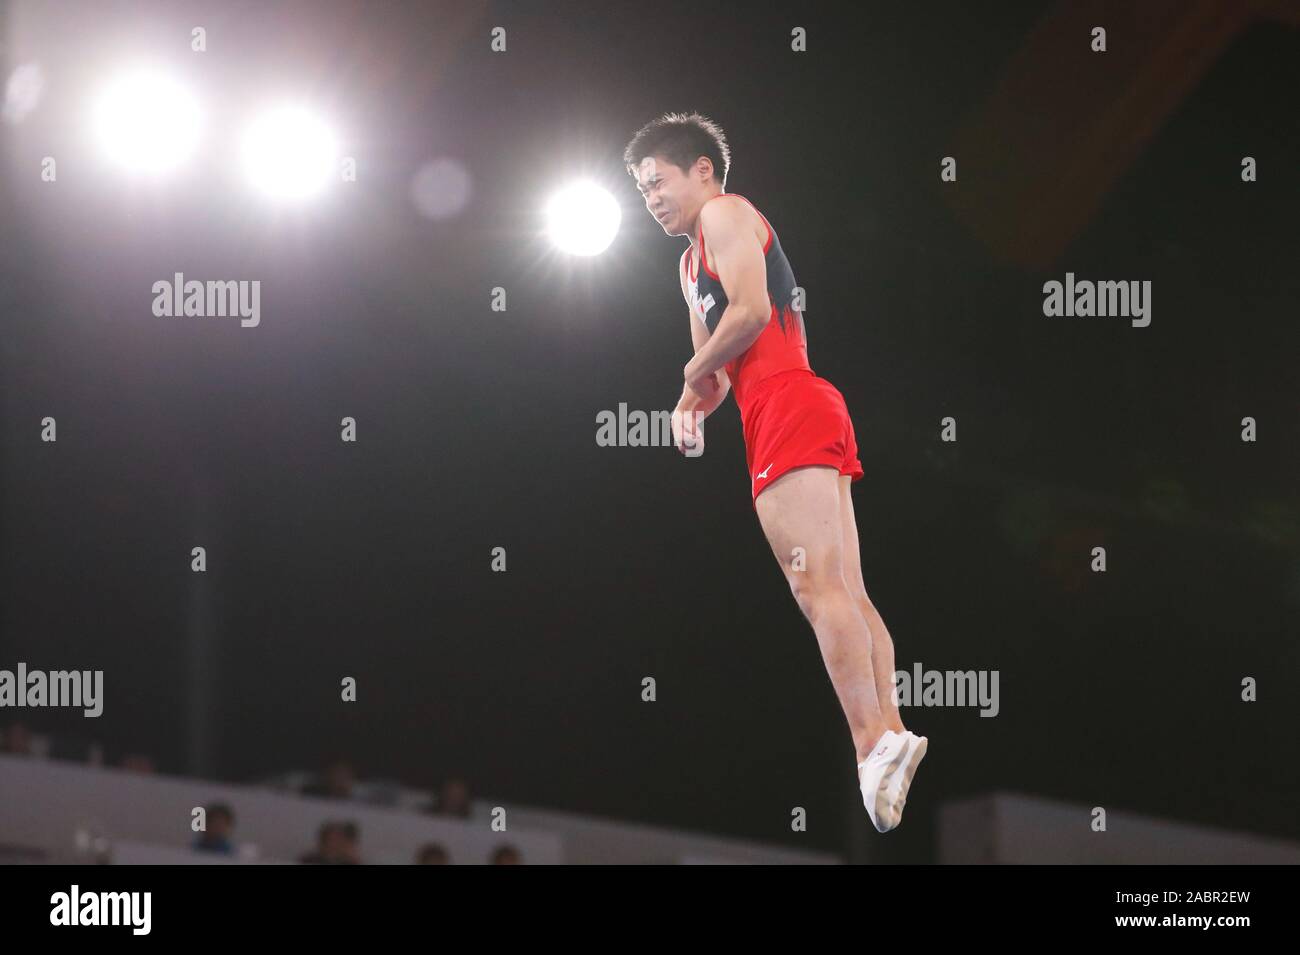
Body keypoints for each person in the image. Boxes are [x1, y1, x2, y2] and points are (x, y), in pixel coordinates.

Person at [623, 112, 927, 832]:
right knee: (843, 584)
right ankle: (890, 730)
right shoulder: (688, 264)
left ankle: (871, 740)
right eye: (640, 191)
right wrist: (688, 404)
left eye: (657, 181)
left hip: (790, 398)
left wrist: (693, 368)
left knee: (814, 584)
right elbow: (717, 374)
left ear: (702, 169)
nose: (651, 199)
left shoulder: (728, 212)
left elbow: (753, 312)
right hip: (778, 409)